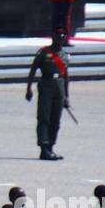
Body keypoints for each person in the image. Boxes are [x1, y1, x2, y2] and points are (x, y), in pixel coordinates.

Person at [26, 30, 71, 161]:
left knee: (55, 120)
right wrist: (29, 88)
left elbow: (66, 76)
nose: (60, 38)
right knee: (44, 117)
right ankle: (44, 147)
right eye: (58, 35)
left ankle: (51, 146)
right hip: (46, 85)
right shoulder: (44, 52)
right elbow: (33, 70)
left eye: (63, 36)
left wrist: (66, 96)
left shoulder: (65, 55)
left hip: (59, 87)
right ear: (53, 37)